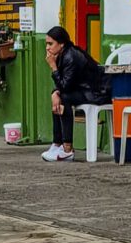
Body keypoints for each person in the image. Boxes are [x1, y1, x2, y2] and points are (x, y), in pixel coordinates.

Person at [42, 25, 111, 163]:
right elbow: (64, 84)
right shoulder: (62, 55)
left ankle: (67, 148)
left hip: (96, 92)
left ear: (61, 44)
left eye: (51, 44)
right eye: (46, 44)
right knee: (59, 99)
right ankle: (57, 144)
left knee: (63, 98)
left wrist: (53, 68)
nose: (47, 48)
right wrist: (54, 93)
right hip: (83, 90)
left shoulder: (70, 57)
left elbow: (65, 86)